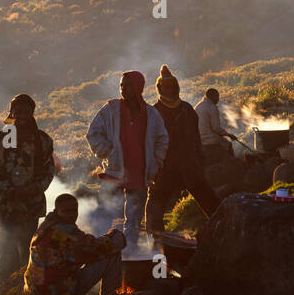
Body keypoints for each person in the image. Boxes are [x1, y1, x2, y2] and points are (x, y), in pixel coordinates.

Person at [86, 70, 169, 251]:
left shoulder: (151, 114)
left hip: (139, 173)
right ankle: (101, 251)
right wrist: (107, 151)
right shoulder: (111, 109)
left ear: (138, 87)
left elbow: (162, 139)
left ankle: (127, 253)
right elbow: (93, 133)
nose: (123, 89)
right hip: (114, 172)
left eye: (127, 85)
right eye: (121, 85)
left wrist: (157, 161)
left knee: (133, 219)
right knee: (105, 215)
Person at [0, 93, 57, 290]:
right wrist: (10, 193)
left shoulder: (42, 141)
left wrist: (30, 190)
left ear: (32, 112)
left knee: (28, 250)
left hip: (30, 206)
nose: (22, 114)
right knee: (6, 251)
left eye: (26, 110)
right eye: (18, 110)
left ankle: (27, 293)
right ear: (11, 113)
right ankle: (5, 293)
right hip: (4, 208)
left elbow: (47, 171)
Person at [147, 65, 222, 233]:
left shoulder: (187, 110)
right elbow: (149, 143)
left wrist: (198, 159)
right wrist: (152, 167)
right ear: (159, 88)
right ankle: (156, 244)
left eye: (172, 86)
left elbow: (196, 139)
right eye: (165, 86)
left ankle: (223, 231)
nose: (169, 89)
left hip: (190, 166)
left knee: (210, 203)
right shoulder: (154, 112)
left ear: (177, 87)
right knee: (155, 209)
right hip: (164, 168)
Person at [24, 193, 125, 295]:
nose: (71, 215)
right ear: (57, 211)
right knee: (112, 252)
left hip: (33, 293)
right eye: (66, 211)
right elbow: (98, 248)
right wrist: (116, 235)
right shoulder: (69, 234)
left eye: (74, 211)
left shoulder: (44, 228)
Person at [195, 88, 232, 167]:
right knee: (228, 144)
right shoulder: (212, 108)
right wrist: (228, 134)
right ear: (213, 97)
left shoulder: (198, 106)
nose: (218, 99)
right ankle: (231, 166)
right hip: (209, 139)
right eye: (217, 97)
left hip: (198, 139)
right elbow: (216, 128)